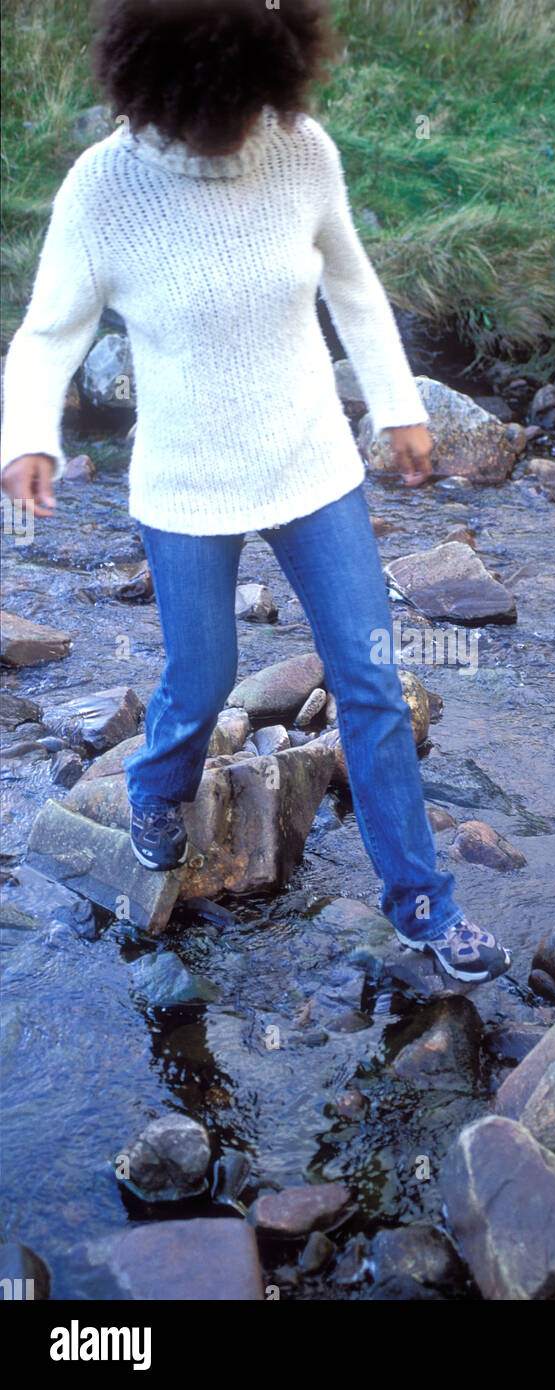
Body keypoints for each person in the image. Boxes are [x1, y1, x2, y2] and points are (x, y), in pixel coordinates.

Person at [0, 0, 511, 984]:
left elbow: (353, 288)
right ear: (165, 88)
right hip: (185, 487)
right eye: (217, 111)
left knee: (368, 678)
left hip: (311, 466)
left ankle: (421, 902)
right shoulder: (104, 188)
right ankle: (155, 787)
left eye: (250, 105)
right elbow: (48, 332)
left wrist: (400, 409)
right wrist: (30, 437)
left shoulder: (300, 149)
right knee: (198, 682)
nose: (237, 130)